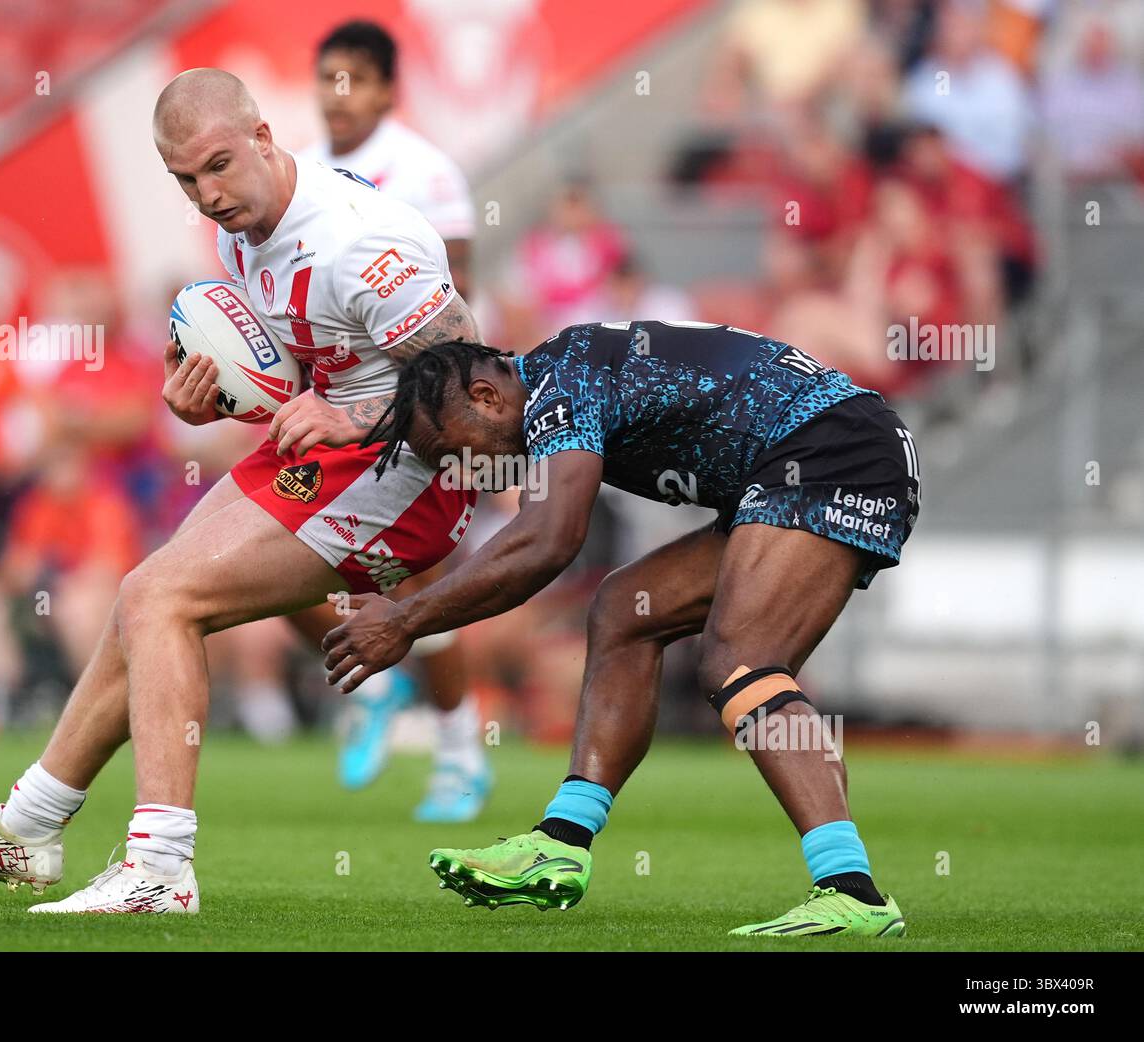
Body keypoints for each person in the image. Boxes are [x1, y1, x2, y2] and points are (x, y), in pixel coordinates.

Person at [0, 68, 480, 914]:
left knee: (164, 597)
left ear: (265, 137)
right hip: (337, 451)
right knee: (142, 597)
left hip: (411, 474)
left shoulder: (358, 240)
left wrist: (357, 420)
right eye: (185, 179)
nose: (208, 194)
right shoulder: (240, 233)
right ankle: (26, 830)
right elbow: (290, 367)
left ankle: (160, 868)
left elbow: (477, 387)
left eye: (219, 166)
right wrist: (208, 397)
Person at [323, 320, 921, 937]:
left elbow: (549, 541)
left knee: (740, 662)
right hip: (810, 457)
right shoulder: (561, 379)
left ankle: (852, 891)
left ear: (485, 396)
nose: (467, 473)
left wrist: (404, 621)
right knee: (627, 609)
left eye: (457, 453)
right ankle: (562, 839)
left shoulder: (559, 379)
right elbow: (539, 533)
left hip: (833, 450)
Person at [295, 19, 490, 818]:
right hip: (324, 402)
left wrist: (452, 418)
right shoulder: (301, 174)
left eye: (352, 80)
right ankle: (375, 683)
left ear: (385, 88)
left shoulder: (424, 171)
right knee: (276, 567)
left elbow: (455, 306)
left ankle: (458, 753)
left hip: (420, 408)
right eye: (325, 79)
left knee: (424, 586)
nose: (336, 98)